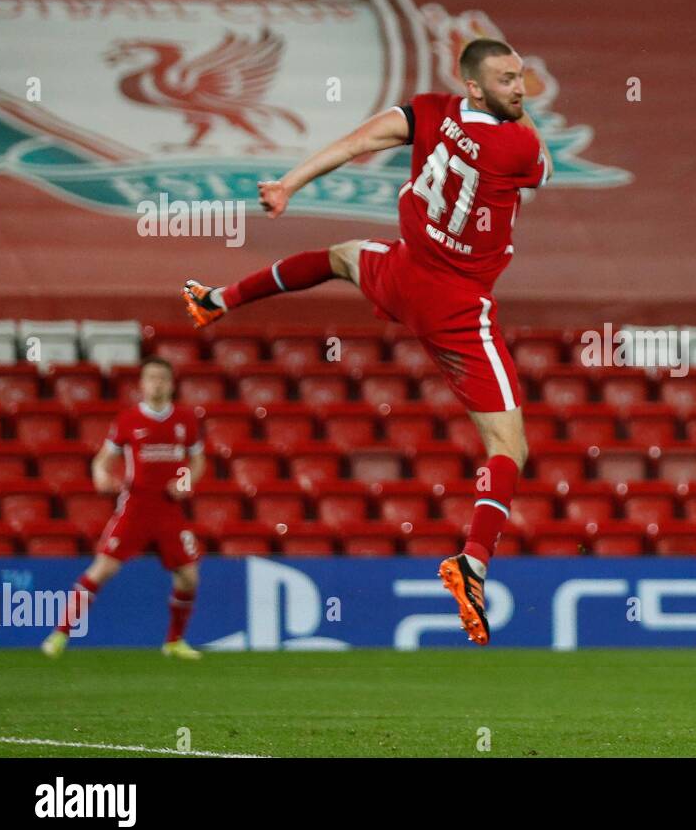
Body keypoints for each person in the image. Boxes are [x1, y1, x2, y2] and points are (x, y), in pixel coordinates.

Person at [180, 38, 552, 646]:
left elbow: (357, 142)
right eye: (509, 79)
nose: (521, 87)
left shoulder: (431, 110)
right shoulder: (514, 143)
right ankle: (474, 562)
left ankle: (215, 300)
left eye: (521, 76)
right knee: (509, 443)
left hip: (407, 271)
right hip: (457, 302)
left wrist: (290, 185)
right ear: (476, 87)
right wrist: (520, 111)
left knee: (340, 257)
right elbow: (545, 169)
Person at [41, 357, 206, 658]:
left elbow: (197, 462)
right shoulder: (128, 421)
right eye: (151, 378)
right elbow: (102, 462)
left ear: (171, 384)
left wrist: (185, 482)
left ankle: (173, 642)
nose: (157, 383)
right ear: (142, 385)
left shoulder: (186, 420)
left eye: (162, 378)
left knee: (189, 576)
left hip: (169, 510)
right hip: (136, 506)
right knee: (104, 569)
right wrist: (102, 477)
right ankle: (59, 635)